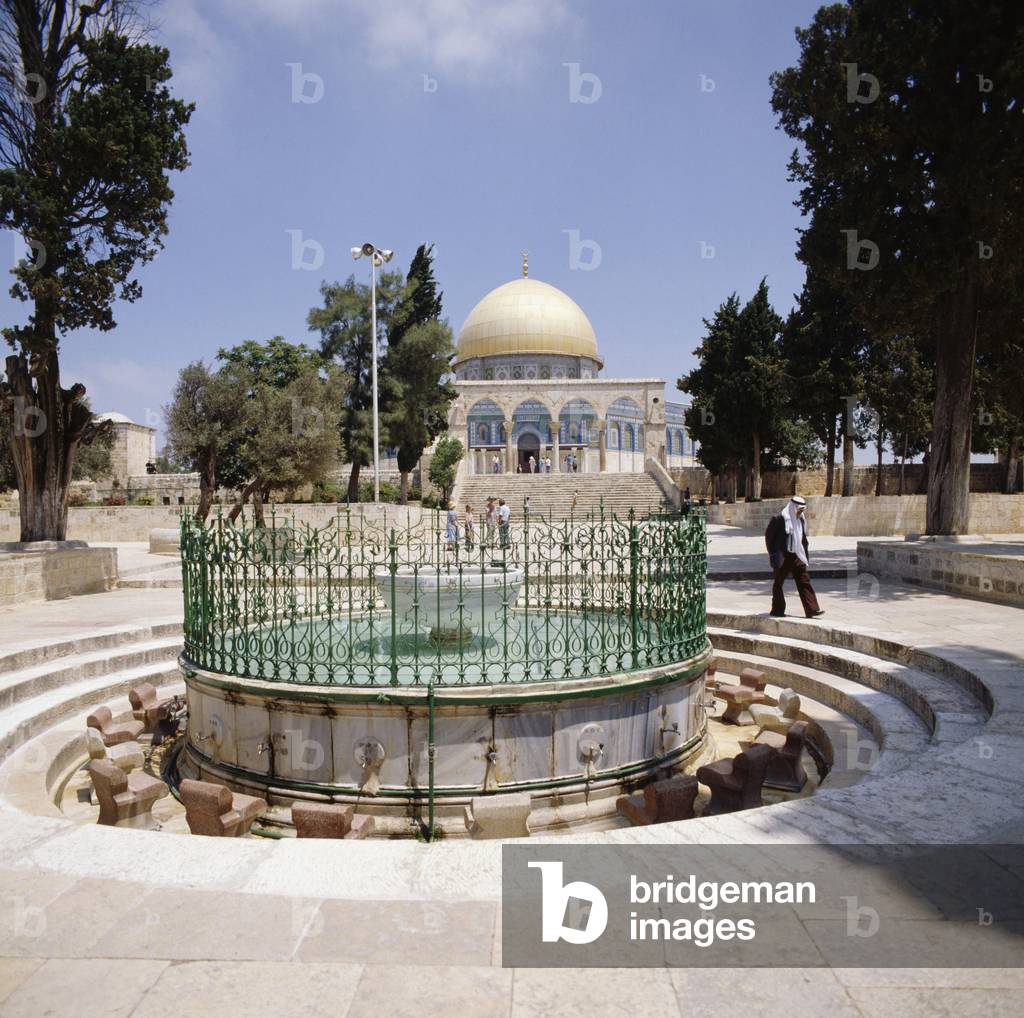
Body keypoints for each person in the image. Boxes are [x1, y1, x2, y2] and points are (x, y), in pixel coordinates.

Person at [764, 496, 823, 619]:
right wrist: (773, 554)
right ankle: (777, 610)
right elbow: (769, 538)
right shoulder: (779, 519)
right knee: (778, 583)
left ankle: (811, 609)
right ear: (792, 507)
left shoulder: (800, 519)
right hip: (783, 557)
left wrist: (805, 556)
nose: (800, 513)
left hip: (797, 556)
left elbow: (802, 538)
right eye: (799, 510)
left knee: (804, 581)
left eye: (802, 510)